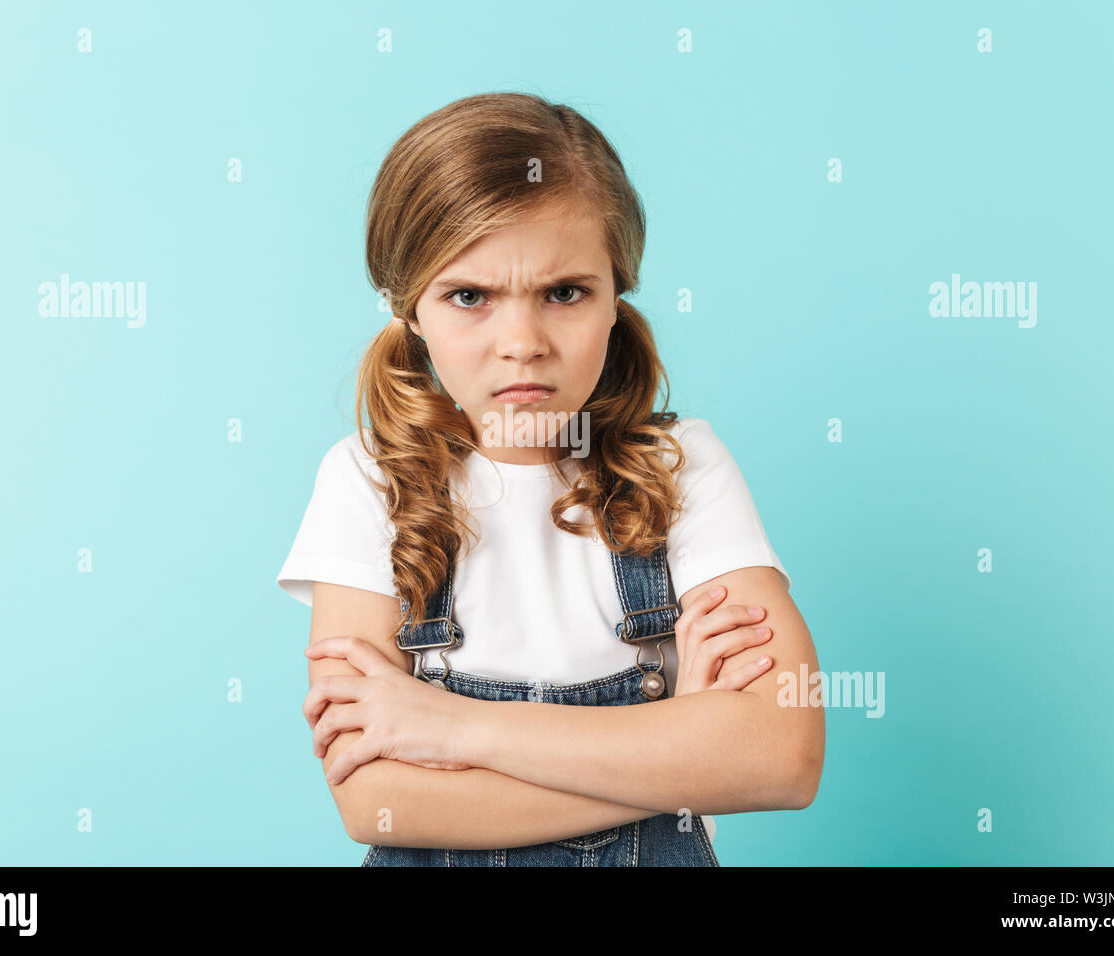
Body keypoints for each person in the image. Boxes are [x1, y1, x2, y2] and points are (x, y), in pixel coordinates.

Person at [276, 92, 825, 866]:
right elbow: (382, 803)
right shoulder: (367, 484)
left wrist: (452, 729)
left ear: (615, 297)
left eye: (564, 293)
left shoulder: (681, 469)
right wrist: (681, 750)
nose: (522, 343)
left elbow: (781, 756)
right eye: (470, 296)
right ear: (411, 312)